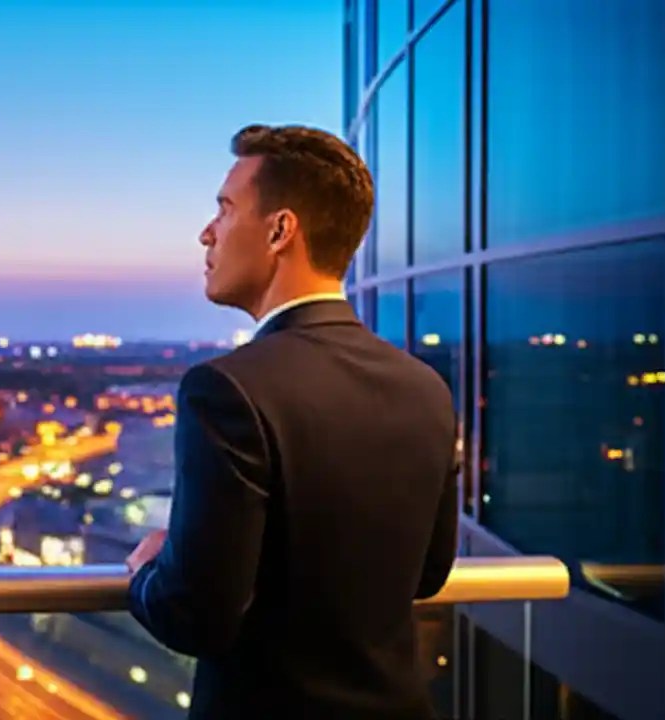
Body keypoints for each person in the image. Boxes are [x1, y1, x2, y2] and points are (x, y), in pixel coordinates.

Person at [125, 124, 458, 719]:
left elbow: (194, 616)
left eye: (225, 209)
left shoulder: (227, 390)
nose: (207, 232)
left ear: (280, 230)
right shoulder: (425, 387)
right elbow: (427, 575)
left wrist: (149, 569)